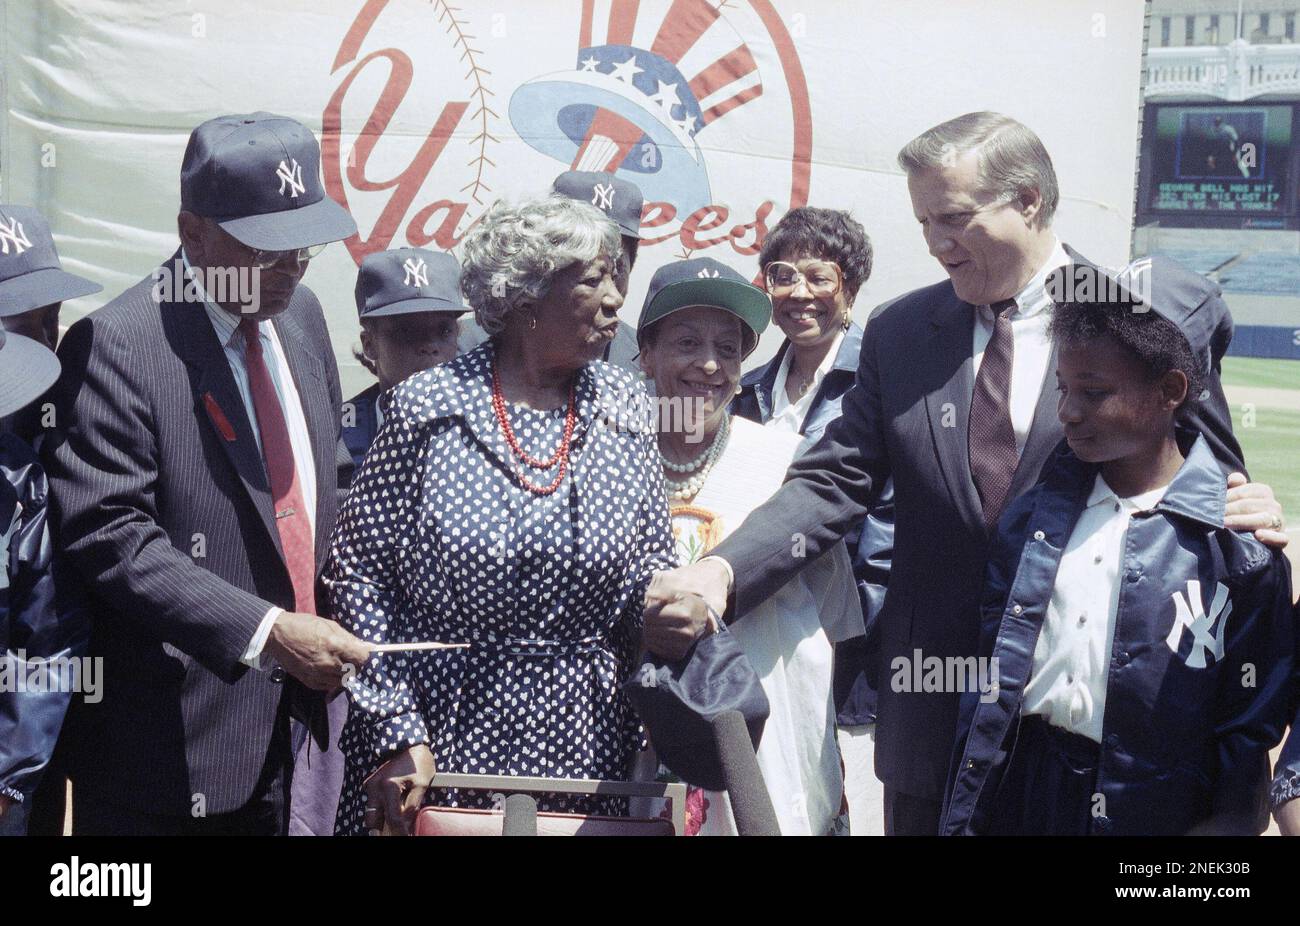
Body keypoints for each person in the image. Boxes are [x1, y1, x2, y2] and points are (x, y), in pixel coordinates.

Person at [644, 111, 1288, 836]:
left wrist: (1248, 505)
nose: (935, 243)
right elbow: (834, 482)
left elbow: (1205, 473)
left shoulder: (1133, 317)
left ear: (1029, 202)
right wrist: (722, 574)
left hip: (1090, 723)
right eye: (923, 222)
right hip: (933, 711)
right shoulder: (899, 331)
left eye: (952, 217)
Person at [43, 112, 371, 836]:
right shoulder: (120, 344)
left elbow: (329, 479)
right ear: (193, 234)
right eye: (266, 249)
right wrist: (265, 632)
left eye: (305, 244)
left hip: (302, 733)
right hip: (175, 751)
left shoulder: (303, 316)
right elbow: (110, 535)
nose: (291, 267)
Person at [326, 195, 675, 836]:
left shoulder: (627, 402)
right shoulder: (427, 405)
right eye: (592, 278)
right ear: (525, 302)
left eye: (614, 276)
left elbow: (650, 562)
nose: (616, 298)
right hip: (437, 730)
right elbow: (358, 576)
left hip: (583, 735)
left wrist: (666, 618)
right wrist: (396, 729)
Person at [943, 259, 1295, 835]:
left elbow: (1247, 730)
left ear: (1171, 391)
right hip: (1024, 793)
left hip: (1153, 808)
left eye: (1095, 392)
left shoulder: (1241, 551)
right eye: (1063, 388)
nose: (1069, 411)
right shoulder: (1032, 519)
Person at [636, 256, 863, 835]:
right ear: (646, 354)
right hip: (636, 749)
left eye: (729, 349)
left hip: (765, 752)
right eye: (686, 342)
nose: (709, 364)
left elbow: (834, 618)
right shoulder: (611, 461)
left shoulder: (786, 465)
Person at [732, 206, 890, 835]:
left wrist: (858, 621)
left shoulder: (878, 381)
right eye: (782, 275)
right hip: (764, 620)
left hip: (850, 635)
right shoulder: (748, 389)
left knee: (844, 794)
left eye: (819, 277)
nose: (799, 294)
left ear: (850, 285)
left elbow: (890, 516)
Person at [0, 205, 100, 836]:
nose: (44, 341)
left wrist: (10, 779)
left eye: (51, 320)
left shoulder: (39, 464)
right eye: (18, 324)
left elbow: (50, 640)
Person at [342, 247, 466, 476]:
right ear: (369, 344)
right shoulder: (339, 434)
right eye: (408, 331)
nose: (429, 345)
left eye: (444, 330)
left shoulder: (489, 423)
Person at [552, 170, 643, 373]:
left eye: (617, 269)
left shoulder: (648, 363)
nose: (608, 291)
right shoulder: (477, 345)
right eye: (588, 269)